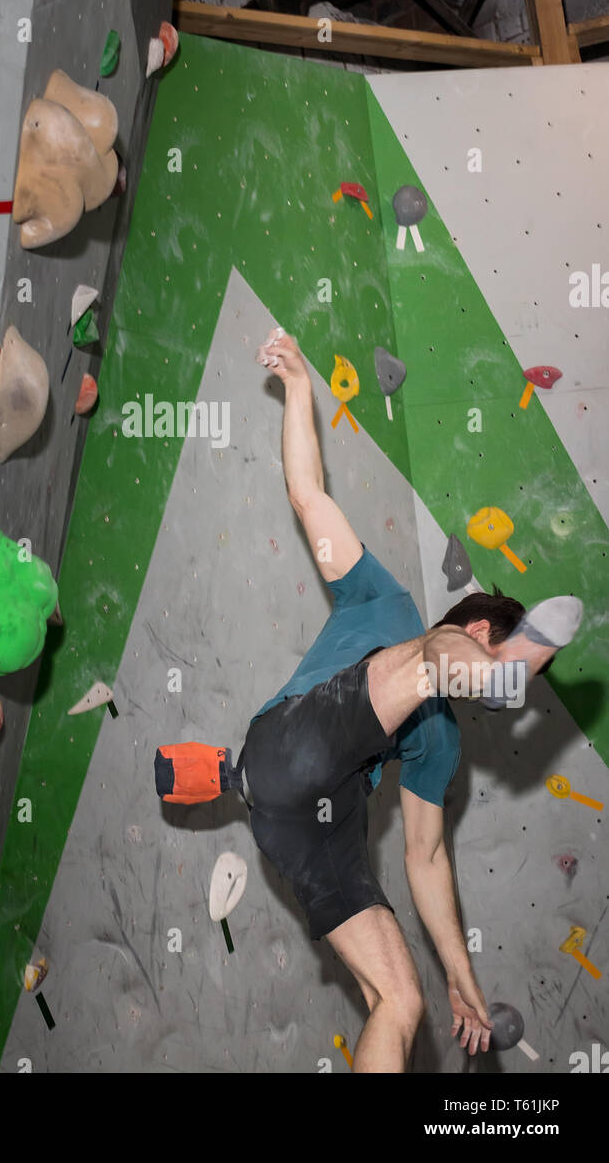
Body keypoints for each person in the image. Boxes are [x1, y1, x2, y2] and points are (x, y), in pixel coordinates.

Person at [236, 327, 583, 1073]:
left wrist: (463, 982)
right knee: (423, 663)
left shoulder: (442, 744)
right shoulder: (382, 601)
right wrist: (299, 388)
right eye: (505, 668)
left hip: (304, 832)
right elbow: (309, 496)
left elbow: (425, 859)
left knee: (401, 999)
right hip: (287, 746)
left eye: (507, 683)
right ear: (484, 629)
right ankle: (482, 665)